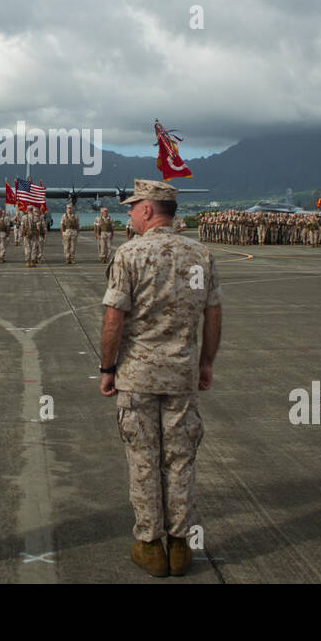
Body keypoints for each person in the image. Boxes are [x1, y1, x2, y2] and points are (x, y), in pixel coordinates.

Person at [99, 179, 222, 578]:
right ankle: (180, 545)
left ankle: (150, 546)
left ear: (149, 211)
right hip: (182, 376)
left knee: (144, 460)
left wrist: (107, 367)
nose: (130, 213)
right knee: (180, 459)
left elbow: (114, 316)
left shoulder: (130, 254)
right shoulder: (199, 254)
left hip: (138, 377)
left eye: (134, 207)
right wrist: (206, 362)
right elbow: (213, 312)